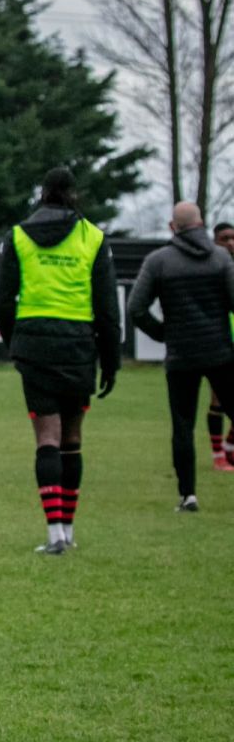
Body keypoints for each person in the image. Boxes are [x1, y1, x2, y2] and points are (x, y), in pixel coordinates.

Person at [0, 167, 120, 554]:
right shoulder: (93, 238)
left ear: (42, 193)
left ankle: (53, 536)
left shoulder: (18, 236)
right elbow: (108, 308)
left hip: (35, 349)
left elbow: (0, 302)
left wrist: (15, 343)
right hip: (79, 347)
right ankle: (69, 529)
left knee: (46, 437)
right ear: (73, 194)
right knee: (72, 438)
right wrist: (111, 361)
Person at [128, 201, 234, 511]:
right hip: (220, 352)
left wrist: (162, 332)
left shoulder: (159, 261)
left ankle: (188, 495)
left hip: (181, 355)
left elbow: (136, 308)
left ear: (173, 227)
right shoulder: (221, 258)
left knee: (183, 426)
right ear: (202, 224)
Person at [206, 222, 234, 472]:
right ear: (214, 241)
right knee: (218, 399)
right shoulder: (210, 270)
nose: (231, 243)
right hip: (220, 343)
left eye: (233, 238)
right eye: (225, 238)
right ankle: (219, 456)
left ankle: (228, 447)